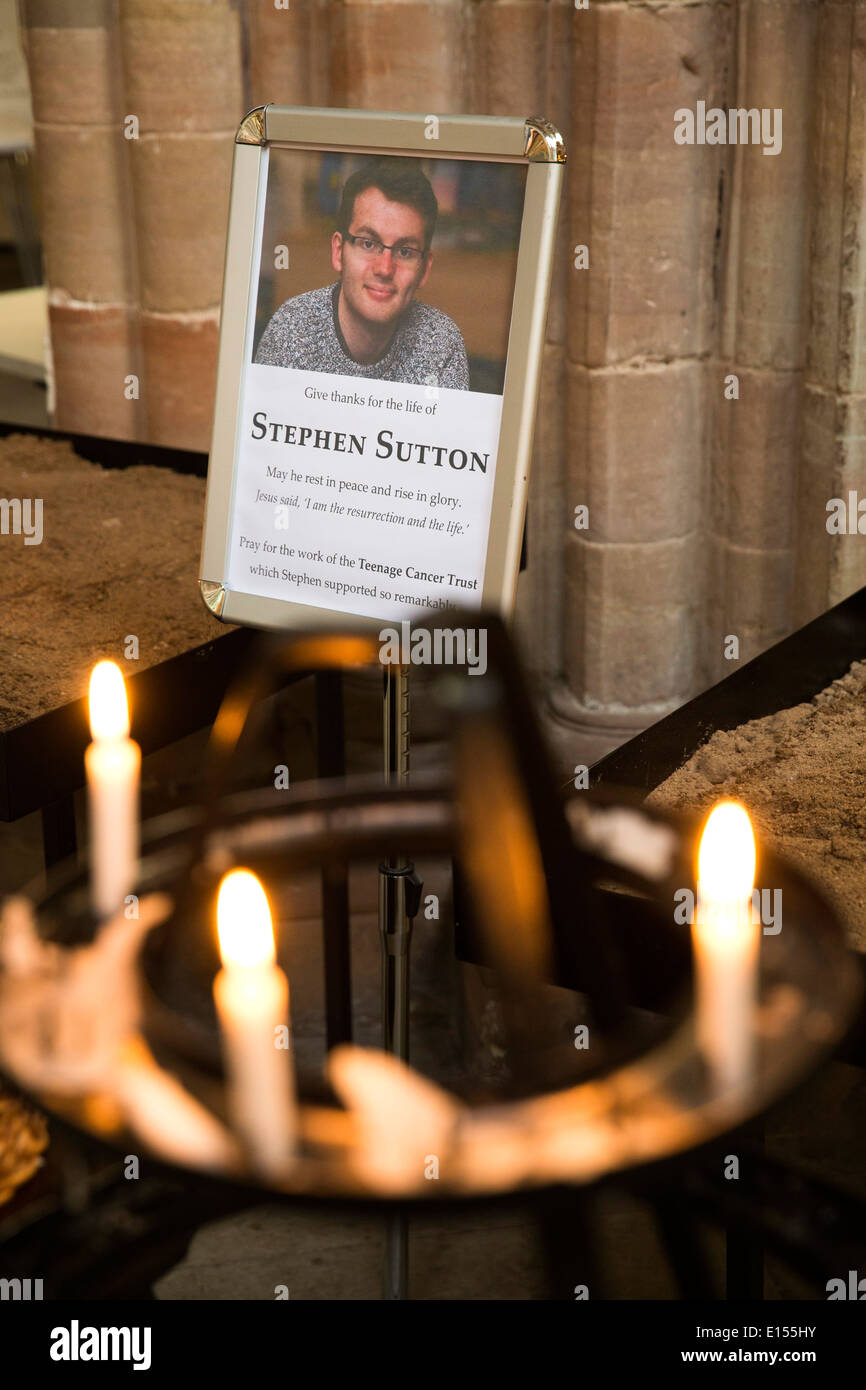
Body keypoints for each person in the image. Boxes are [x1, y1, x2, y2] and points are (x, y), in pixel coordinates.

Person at [254, 158, 470, 389]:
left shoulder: (442, 346)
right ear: (338, 252)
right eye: (368, 244)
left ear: (425, 268)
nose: (384, 269)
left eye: (405, 251)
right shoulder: (292, 331)